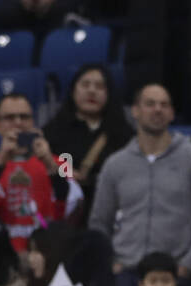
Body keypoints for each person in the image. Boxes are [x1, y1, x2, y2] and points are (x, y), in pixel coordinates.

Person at [89, 83, 191, 286]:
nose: (157, 109)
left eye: (164, 104)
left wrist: (189, 266)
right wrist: (112, 263)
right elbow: (99, 222)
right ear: (135, 111)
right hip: (127, 273)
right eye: (150, 104)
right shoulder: (115, 164)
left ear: (172, 113)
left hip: (177, 274)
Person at [0, 92, 83, 255]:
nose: (18, 122)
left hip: (44, 255)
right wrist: (0, 162)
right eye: (9, 118)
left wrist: (50, 165)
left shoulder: (56, 163)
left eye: (24, 117)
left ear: (33, 122)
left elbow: (73, 209)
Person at [41, 63, 131, 224]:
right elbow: (44, 163)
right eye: (85, 84)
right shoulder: (53, 131)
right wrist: (67, 172)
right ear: (73, 90)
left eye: (99, 86)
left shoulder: (123, 134)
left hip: (110, 213)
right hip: (65, 215)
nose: (92, 91)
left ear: (109, 93)